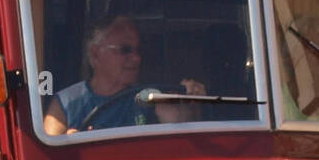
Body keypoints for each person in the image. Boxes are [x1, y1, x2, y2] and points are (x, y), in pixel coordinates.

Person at [43, 15, 207, 135]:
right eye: (125, 50)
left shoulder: (148, 97)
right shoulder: (66, 103)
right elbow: (49, 159)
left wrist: (190, 106)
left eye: (138, 50)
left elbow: (179, 134)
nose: (136, 58)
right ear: (95, 54)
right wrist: (71, 145)